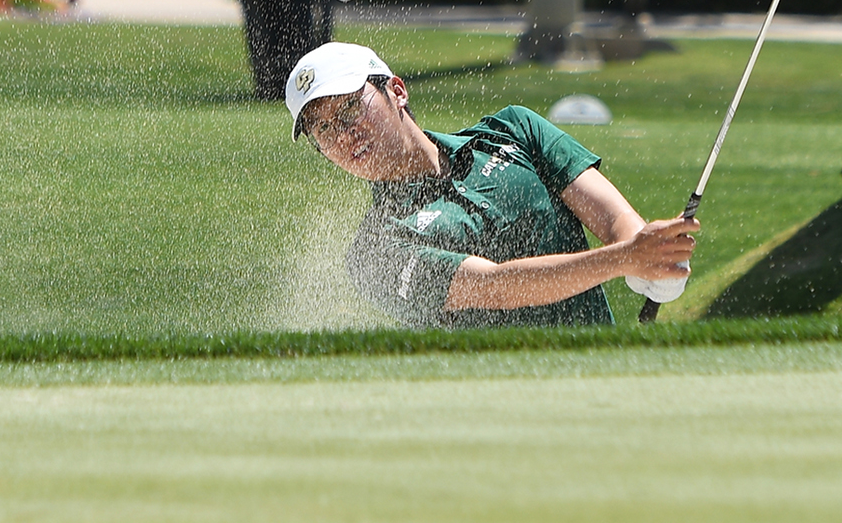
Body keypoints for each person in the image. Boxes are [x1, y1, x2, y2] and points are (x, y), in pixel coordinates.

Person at [285, 42, 696, 329]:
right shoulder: (373, 252)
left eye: (350, 109)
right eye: (322, 130)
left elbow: (612, 216)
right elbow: (495, 286)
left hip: (601, 379)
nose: (342, 135)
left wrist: (651, 257)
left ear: (396, 90)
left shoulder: (515, 130)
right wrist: (626, 258)